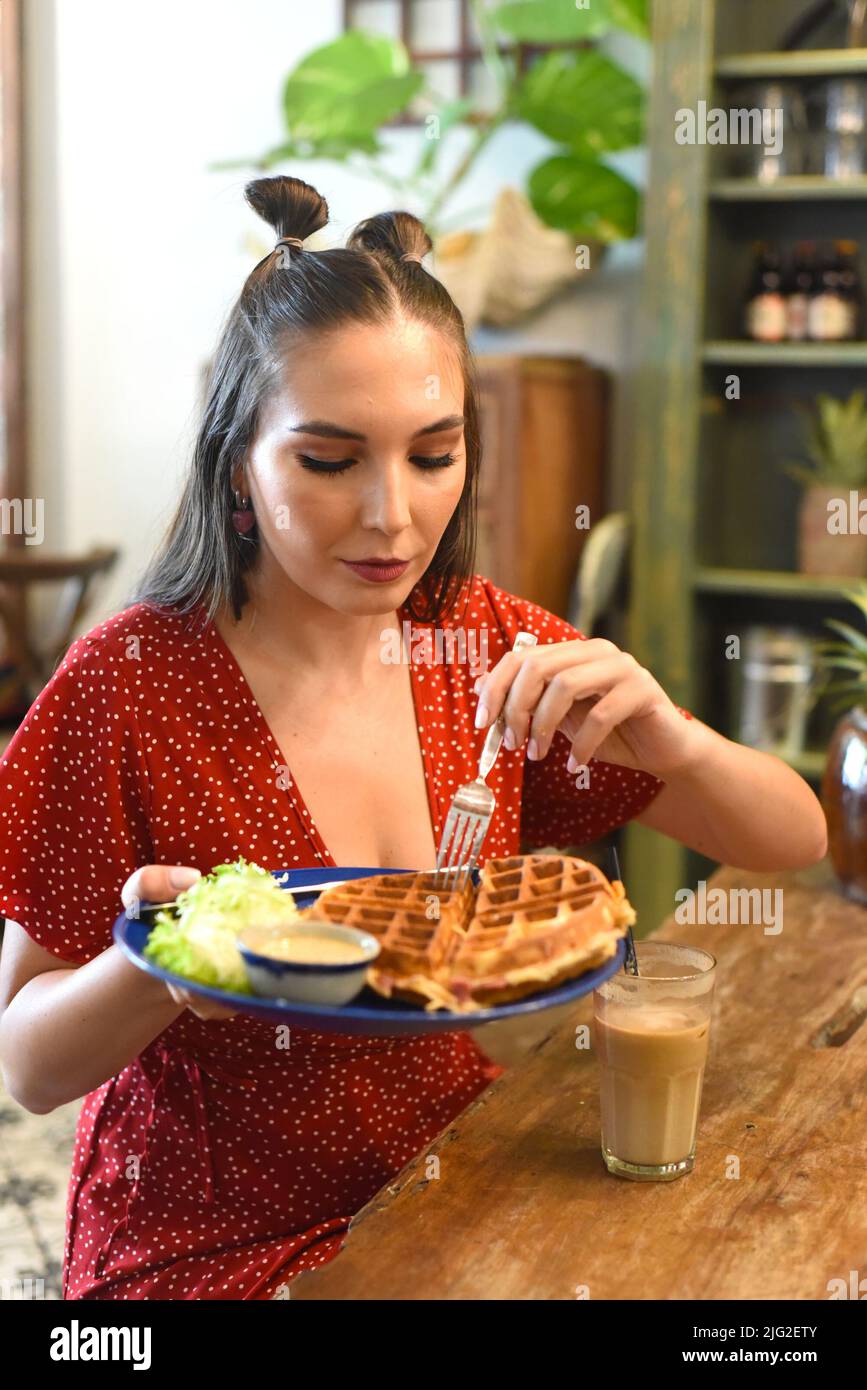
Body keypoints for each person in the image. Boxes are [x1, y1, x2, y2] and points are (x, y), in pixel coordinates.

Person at [0, 177, 827, 1301]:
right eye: (330, 461)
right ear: (238, 461)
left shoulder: (487, 648)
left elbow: (791, 835)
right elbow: (31, 1062)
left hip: (449, 1189)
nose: (392, 516)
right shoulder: (128, 684)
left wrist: (672, 741)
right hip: (208, 1245)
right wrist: (166, 967)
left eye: (433, 456)